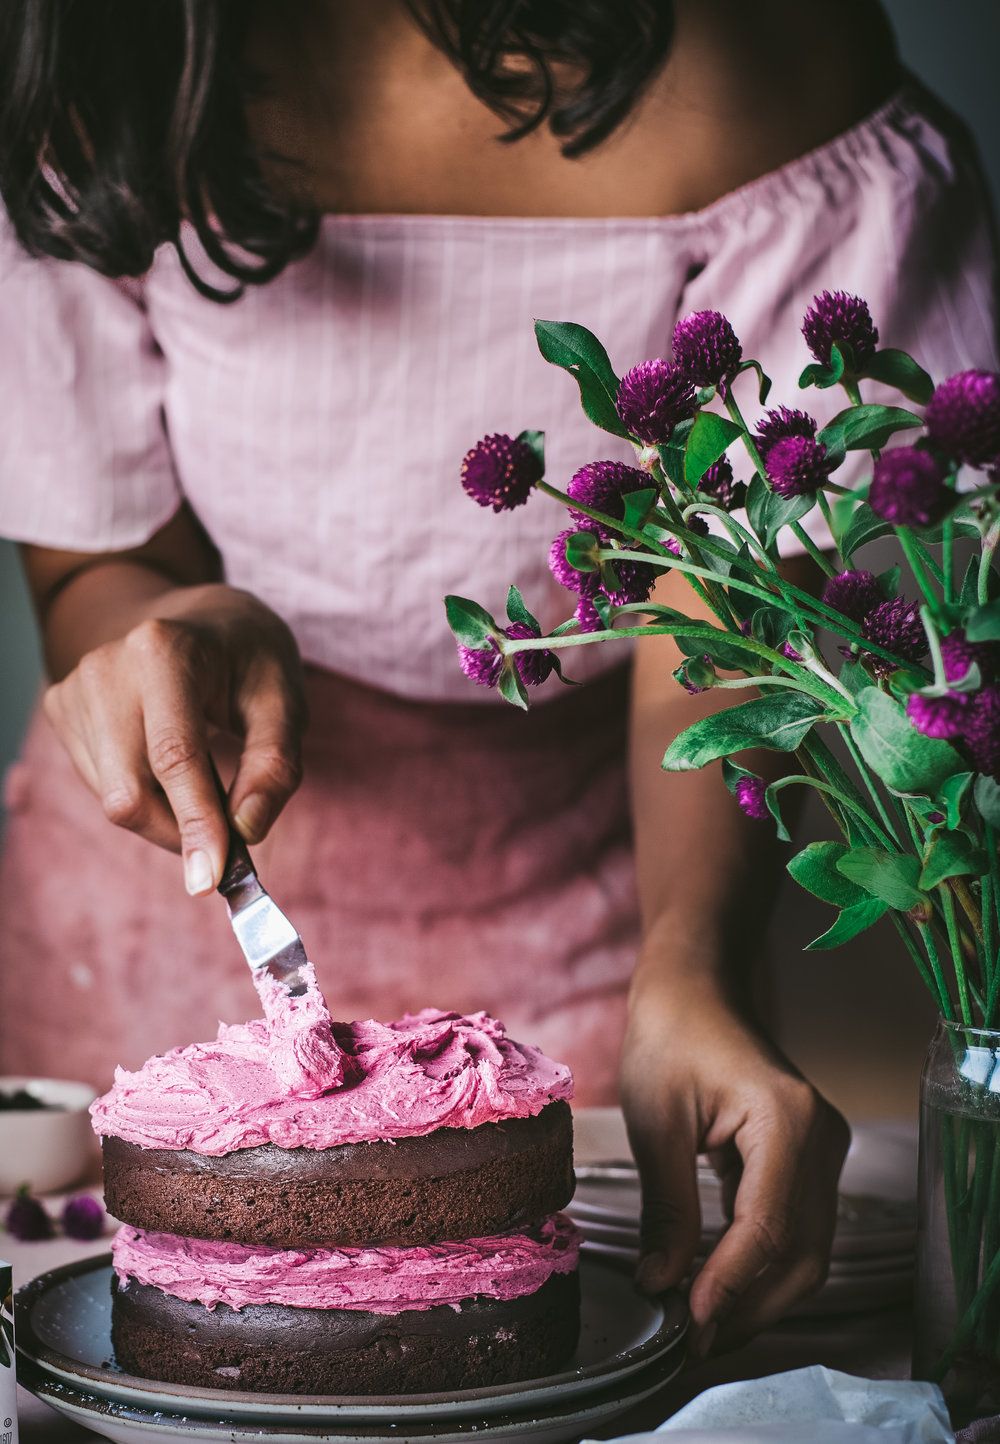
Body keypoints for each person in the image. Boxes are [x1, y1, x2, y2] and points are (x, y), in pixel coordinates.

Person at [0, 0, 995, 1357]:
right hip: (142, 917)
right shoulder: (103, 63)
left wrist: (691, 961)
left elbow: (730, 595)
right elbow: (88, 569)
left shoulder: (760, 57)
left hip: (605, 919)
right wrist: (181, 620)